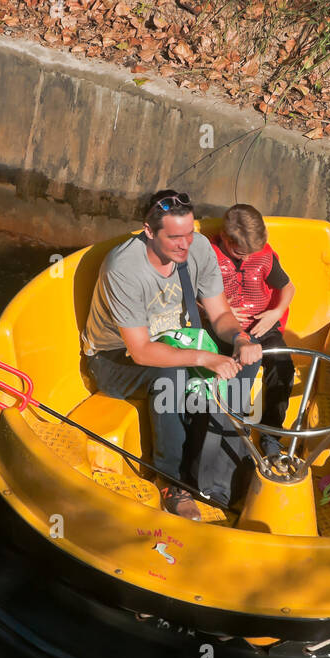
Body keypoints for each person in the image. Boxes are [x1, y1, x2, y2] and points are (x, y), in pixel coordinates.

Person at [82, 190, 262, 520]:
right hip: (114, 358)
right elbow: (141, 351)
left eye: (190, 233)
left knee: (248, 361)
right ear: (149, 232)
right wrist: (206, 359)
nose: (185, 245)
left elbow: (220, 314)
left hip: (180, 340)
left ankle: (216, 474)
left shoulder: (199, 249)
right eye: (175, 237)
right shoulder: (124, 269)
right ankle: (171, 481)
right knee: (173, 375)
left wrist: (239, 339)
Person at [206, 205, 296, 455]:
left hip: (263, 325)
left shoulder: (263, 256)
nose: (247, 258)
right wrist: (218, 310)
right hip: (227, 331)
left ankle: (271, 435)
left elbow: (289, 288)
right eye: (240, 252)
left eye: (251, 253)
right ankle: (236, 435)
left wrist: (276, 312)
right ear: (224, 237)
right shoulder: (207, 256)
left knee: (283, 366)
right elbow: (191, 293)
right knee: (238, 374)